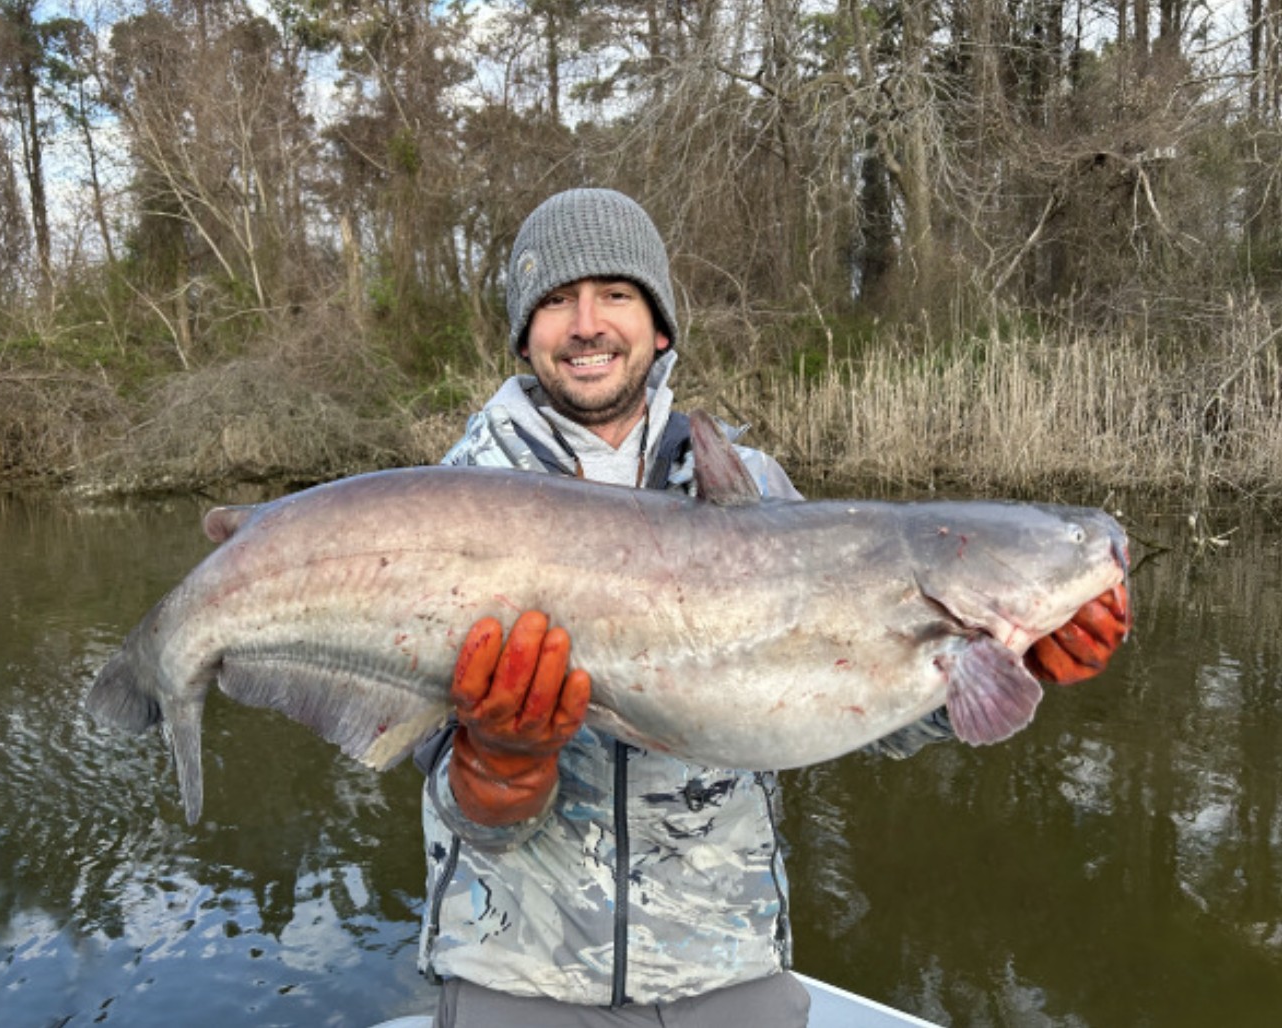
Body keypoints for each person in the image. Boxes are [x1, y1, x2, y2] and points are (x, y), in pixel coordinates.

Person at [415, 188, 1129, 1027]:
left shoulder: (759, 493)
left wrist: (986, 669)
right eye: (556, 300)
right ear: (525, 331)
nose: (586, 324)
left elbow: (841, 705)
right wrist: (498, 768)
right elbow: (434, 773)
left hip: (723, 960)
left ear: (660, 324)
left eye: (616, 294)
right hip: (518, 974)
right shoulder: (446, 507)